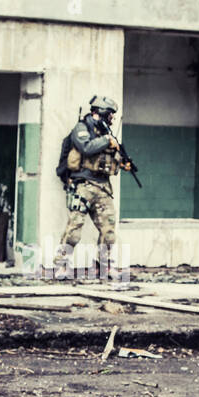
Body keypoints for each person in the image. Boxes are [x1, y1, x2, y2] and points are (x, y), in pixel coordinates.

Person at [58, 96, 123, 280]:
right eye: (110, 114)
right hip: (83, 184)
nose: (112, 118)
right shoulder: (82, 128)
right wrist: (107, 140)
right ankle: (61, 265)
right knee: (74, 227)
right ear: (100, 112)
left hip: (103, 186)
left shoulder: (106, 131)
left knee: (109, 229)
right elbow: (86, 147)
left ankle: (104, 266)